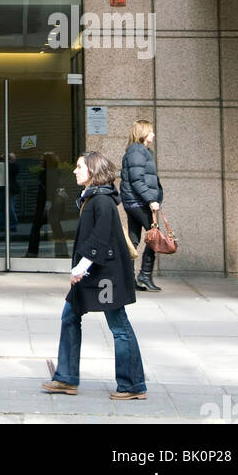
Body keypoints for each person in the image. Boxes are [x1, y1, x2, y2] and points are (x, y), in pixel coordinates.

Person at [41, 150, 147, 401]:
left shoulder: (101, 200)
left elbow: (99, 238)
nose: (75, 170)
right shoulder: (95, 197)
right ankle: (66, 379)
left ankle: (133, 384)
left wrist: (80, 268)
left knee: (118, 325)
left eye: (79, 167)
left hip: (105, 275)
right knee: (70, 316)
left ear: (93, 171)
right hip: (96, 272)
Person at [121, 119, 164, 291]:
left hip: (133, 202)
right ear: (144, 133)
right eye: (151, 131)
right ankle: (145, 275)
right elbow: (137, 180)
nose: (153, 134)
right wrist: (150, 200)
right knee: (155, 237)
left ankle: (128, 279)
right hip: (138, 202)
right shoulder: (137, 152)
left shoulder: (139, 151)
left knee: (133, 240)